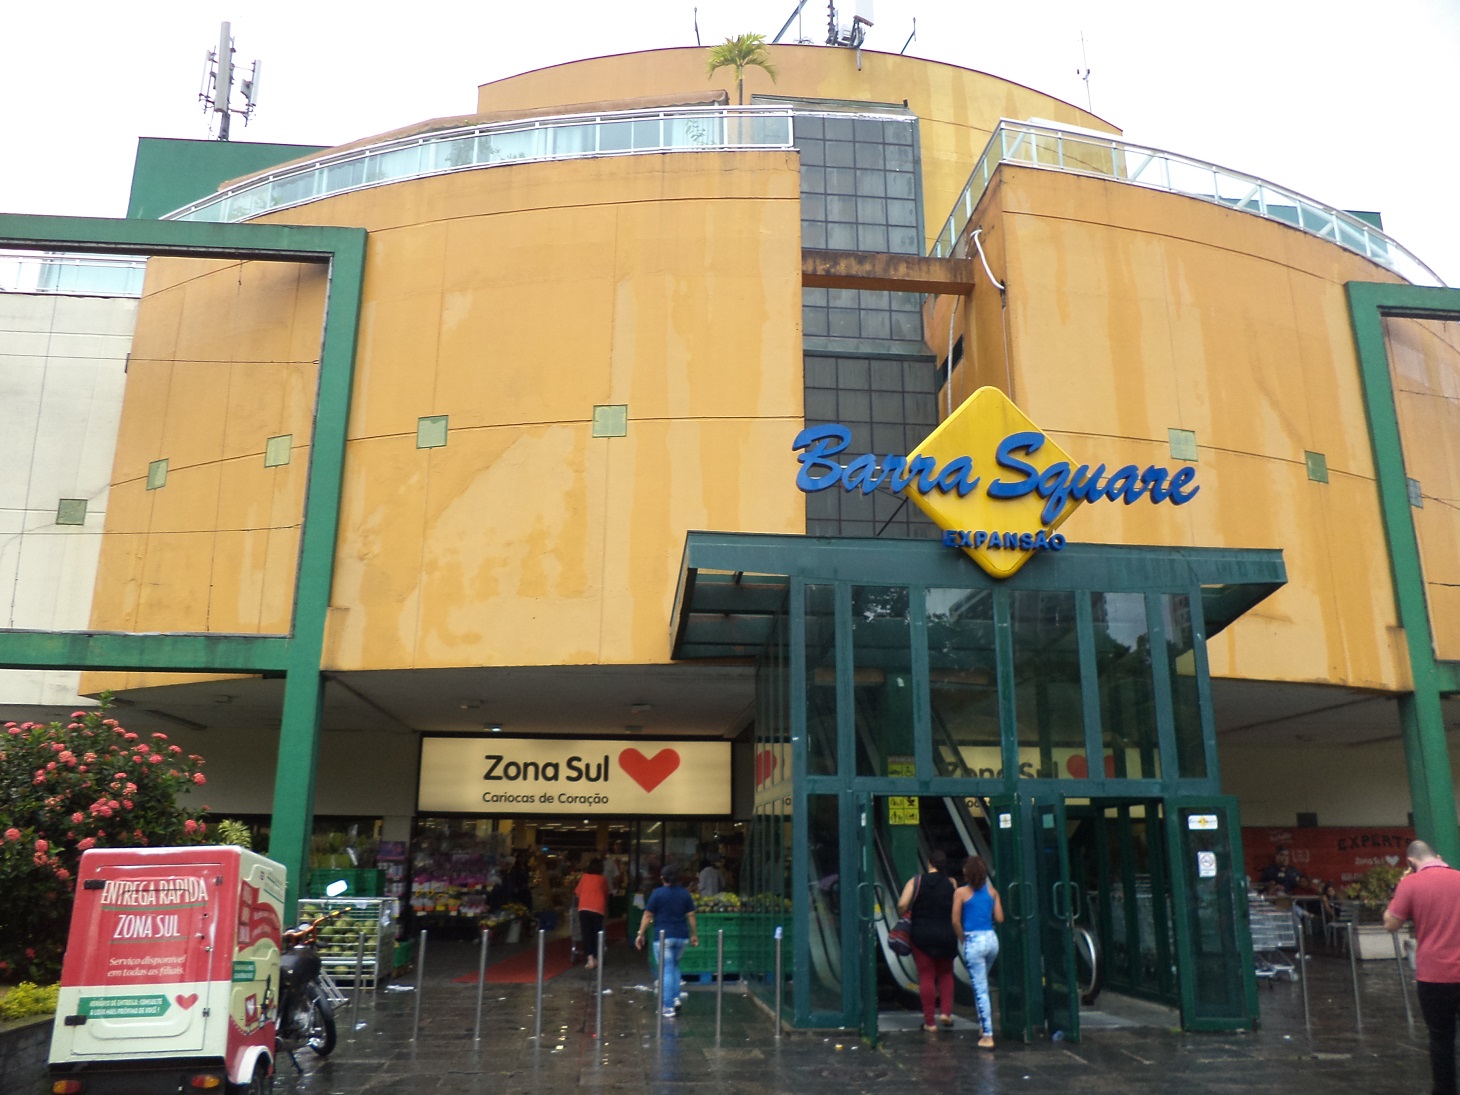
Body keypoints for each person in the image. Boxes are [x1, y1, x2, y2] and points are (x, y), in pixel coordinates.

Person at [1386, 840, 1460, 1095]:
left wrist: (1401, 884)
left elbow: (1391, 923)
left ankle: (1444, 1090)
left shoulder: (1410, 884)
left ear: (1410, 862)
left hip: (1434, 975)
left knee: (1440, 1038)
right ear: (1438, 857)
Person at [897, 849, 960, 1032]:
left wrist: (906, 914)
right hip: (946, 934)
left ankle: (930, 1022)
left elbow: (902, 904)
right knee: (946, 973)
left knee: (926, 976)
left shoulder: (916, 881)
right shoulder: (951, 883)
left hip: (921, 934)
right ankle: (946, 1013)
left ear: (929, 863)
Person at [951, 855, 1004, 1049]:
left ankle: (988, 1035)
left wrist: (962, 938)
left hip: (973, 940)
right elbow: (999, 918)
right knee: (980, 982)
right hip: (991, 940)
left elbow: (955, 920)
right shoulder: (992, 893)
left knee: (980, 987)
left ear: (966, 872)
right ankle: (983, 1025)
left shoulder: (961, 893)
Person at [635, 866, 699, 1019]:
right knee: (674, 966)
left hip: (663, 938)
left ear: (662, 878)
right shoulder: (685, 894)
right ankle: (675, 998)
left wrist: (640, 933)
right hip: (681, 937)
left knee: (666, 970)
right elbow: (691, 915)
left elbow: (647, 915)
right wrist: (694, 935)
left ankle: (667, 1006)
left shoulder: (657, 894)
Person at [575, 858, 611, 969]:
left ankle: (590, 959)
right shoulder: (603, 879)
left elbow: (577, 893)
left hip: (584, 908)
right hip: (598, 909)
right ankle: (598, 958)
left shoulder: (584, 877)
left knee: (587, 934)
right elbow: (606, 893)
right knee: (597, 934)